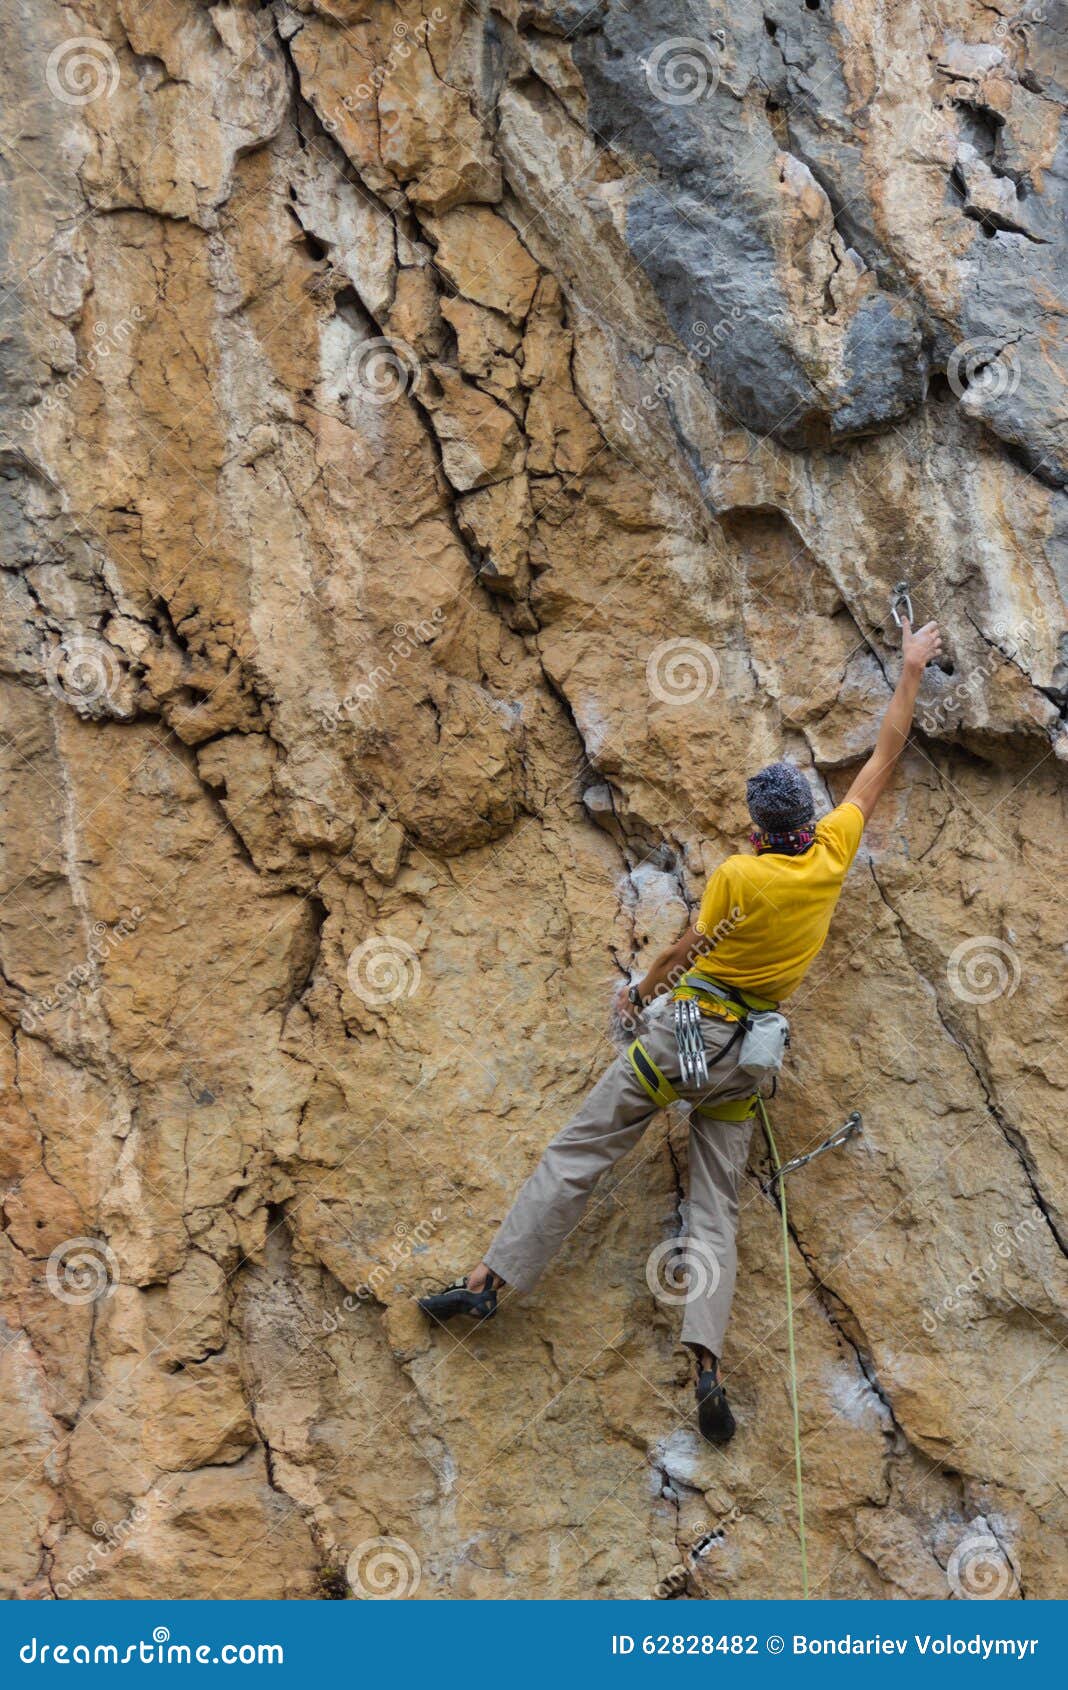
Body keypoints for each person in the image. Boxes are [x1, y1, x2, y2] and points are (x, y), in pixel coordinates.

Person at [419, 617, 943, 1443]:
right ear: (806, 819)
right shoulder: (835, 852)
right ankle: (707, 1364)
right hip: (748, 1063)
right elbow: (884, 754)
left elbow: (687, 947)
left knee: (580, 1152)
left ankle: (490, 1280)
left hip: (689, 1037)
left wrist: (641, 990)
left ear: (754, 830)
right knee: (713, 1217)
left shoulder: (740, 874)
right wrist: (910, 666)